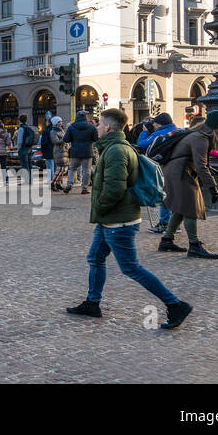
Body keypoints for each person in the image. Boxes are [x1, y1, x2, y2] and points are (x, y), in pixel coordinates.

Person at [66, 107, 192, 329]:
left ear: (107, 127)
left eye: (98, 124)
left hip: (118, 221)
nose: (95, 127)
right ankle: (92, 303)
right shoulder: (114, 147)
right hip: (110, 220)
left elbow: (115, 188)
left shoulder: (116, 151)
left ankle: (175, 304)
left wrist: (100, 206)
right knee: (95, 258)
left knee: (130, 267)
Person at [158, 110, 218, 260]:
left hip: (176, 171)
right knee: (190, 208)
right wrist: (213, 187)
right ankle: (194, 245)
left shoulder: (197, 135)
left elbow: (197, 161)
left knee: (180, 208)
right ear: (216, 127)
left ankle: (167, 240)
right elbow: (201, 165)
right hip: (181, 173)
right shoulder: (200, 138)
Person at [138, 112, 177, 233]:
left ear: (159, 124)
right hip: (176, 166)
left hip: (164, 166)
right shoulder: (176, 130)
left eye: (154, 123)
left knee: (164, 194)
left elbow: (142, 144)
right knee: (172, 194)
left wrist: (145, 131)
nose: (153, 125)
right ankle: (174, 224)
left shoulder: (159, 133)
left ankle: (164, 223)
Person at [62, 110, 97, 194]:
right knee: (86, 170)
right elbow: (96, 138)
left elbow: (66, 139)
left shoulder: (72, 127)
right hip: (87, 152)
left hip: (75, 152)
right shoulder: (91, 126)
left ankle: (69, 184)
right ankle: (84, 188)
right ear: (85, 117)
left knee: (72, 169)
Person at [41, 115, 63, 189]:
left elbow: (43, 143)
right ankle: (56, 183)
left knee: (50, 168)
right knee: (57, 168)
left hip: (48, 152)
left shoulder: (46, 131)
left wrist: (43, 151)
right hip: (58, 152)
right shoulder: (58, 130)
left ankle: (52, 183)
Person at [15, 115, 37, 185]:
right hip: (29, 148)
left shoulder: (21, 128)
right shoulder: (28, 127)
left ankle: (26, 181)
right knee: (29, 165)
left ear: (19, 120)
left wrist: (18, 149)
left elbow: (19, 141)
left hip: (23, 149)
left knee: (24, 166)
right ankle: (30, 181)